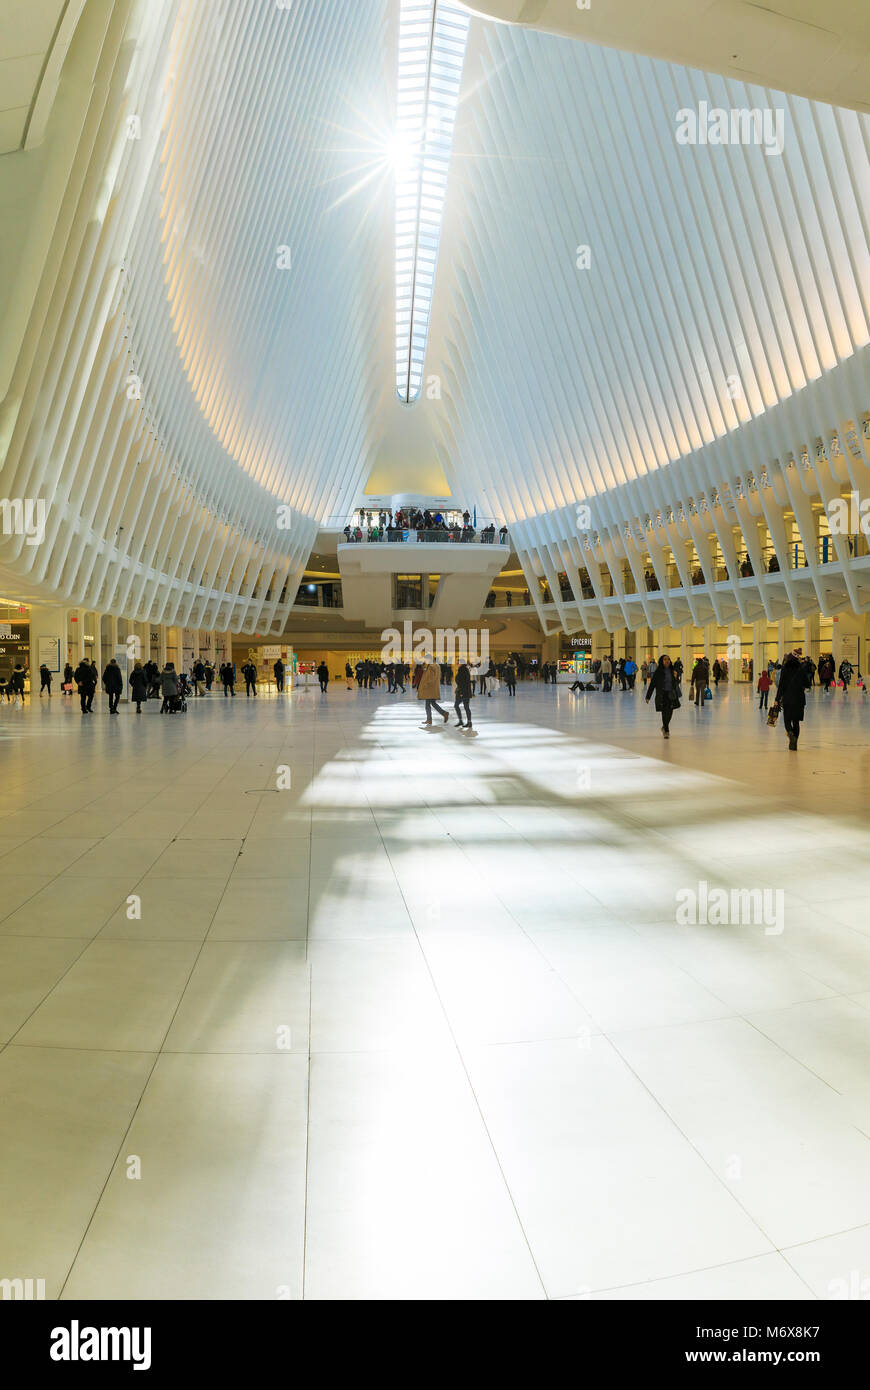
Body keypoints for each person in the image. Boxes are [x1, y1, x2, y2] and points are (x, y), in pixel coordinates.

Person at [773, 650, 811, 750]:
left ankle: (790, 734)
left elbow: (781, 685)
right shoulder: (801, 669)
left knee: (787, 720)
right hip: (799, 699)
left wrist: (777, 699)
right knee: (796, 722)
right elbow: (807, 684)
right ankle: (794, 744)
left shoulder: (785, 668)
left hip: (788, 699)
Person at [645, 653, 681, 738]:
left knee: (670, 711)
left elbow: (676, 683)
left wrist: (676, 677)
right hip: (662, 695)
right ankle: (666, 731)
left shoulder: (673, 671)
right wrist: (648, 696)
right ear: (662, 661)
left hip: (671, 694)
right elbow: (652, 684)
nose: (667, 661)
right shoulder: (658, 672)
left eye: (668, 659)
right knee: (664, 712)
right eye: (665, 659)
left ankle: (664, 726)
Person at [417, 658, 449, 726]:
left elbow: (430, 678)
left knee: (427, 705)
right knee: (433, 703)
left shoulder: (431, 666)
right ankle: (443, 713)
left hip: (430, 688)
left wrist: (425, 685)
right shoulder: (437, 666)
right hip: (434, 687)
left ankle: (430, 719)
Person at [454, 659, 474, 728]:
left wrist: (461, 692)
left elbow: (463, 682)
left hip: (463, 692)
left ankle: (463, 721)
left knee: (458, 705)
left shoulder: (462, 670)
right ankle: (467, 722)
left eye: (458, 662)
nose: (457, 664)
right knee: (465, 707)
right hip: (464, 691)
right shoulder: (464, 669)